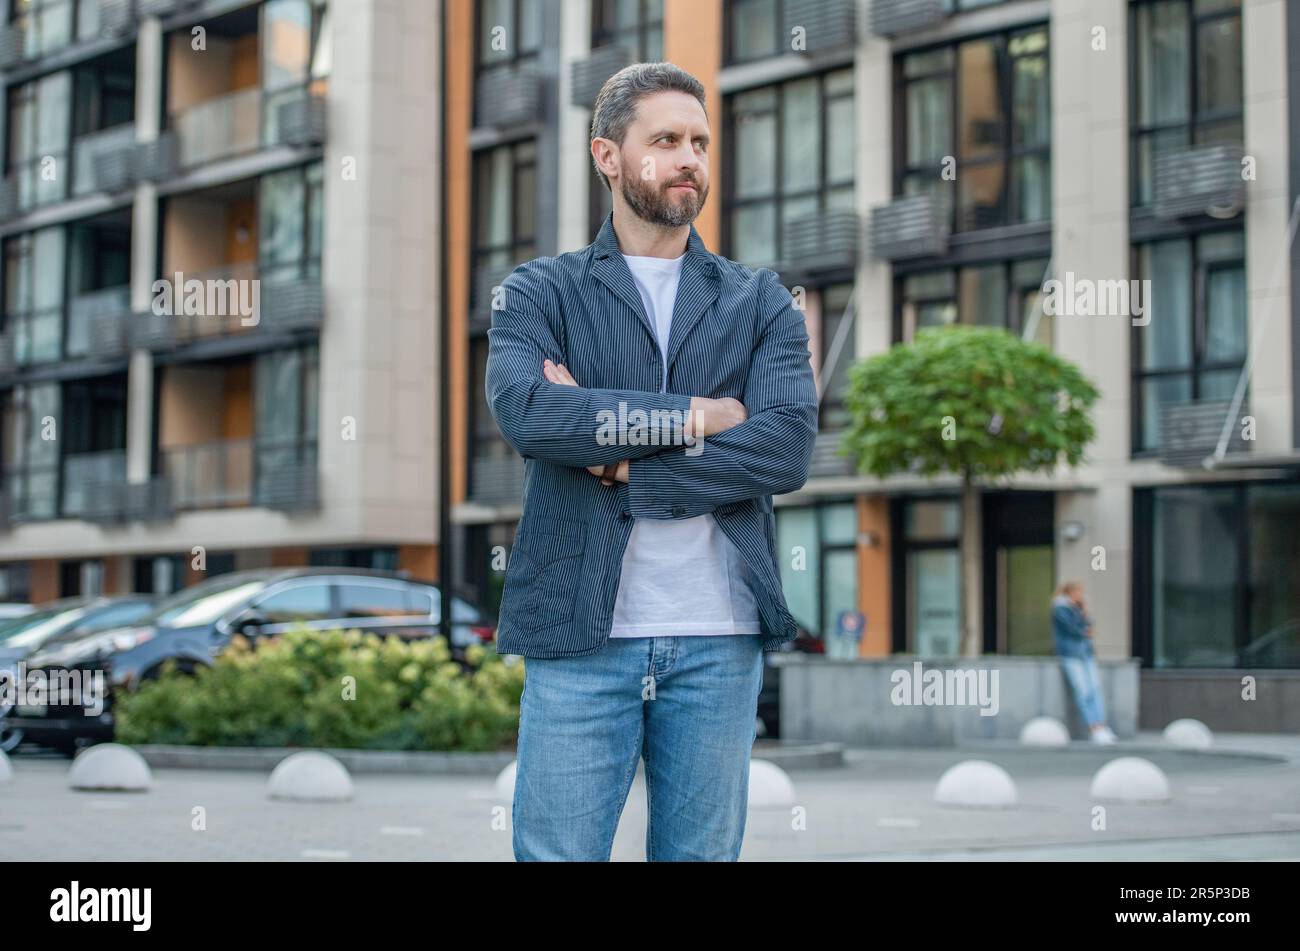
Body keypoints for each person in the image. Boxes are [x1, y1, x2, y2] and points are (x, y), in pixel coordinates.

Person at [485, 62, 818, 861]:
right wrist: (704, 417)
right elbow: (531, 412)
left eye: (699, 141)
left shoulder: (758, 298)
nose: (689, 159)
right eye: (665, 140)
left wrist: (622, 464)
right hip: (577, 634)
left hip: (719, 637)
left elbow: (785, 445)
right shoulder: (539, 293)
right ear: (607, 154)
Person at [1051, 581, 1118, 744]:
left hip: (1086, 654)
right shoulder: (1060, 608)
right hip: (1071, 655)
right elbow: (1075, 630)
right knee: (1084, 692)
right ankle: (1093, 727)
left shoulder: (1078, 608)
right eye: (1077, 592)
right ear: (1069, 593)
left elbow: (1089, 628)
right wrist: (1083, 621)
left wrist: (1084, 611)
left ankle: (1102, 726)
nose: (1080, 596)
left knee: (1095, 690)